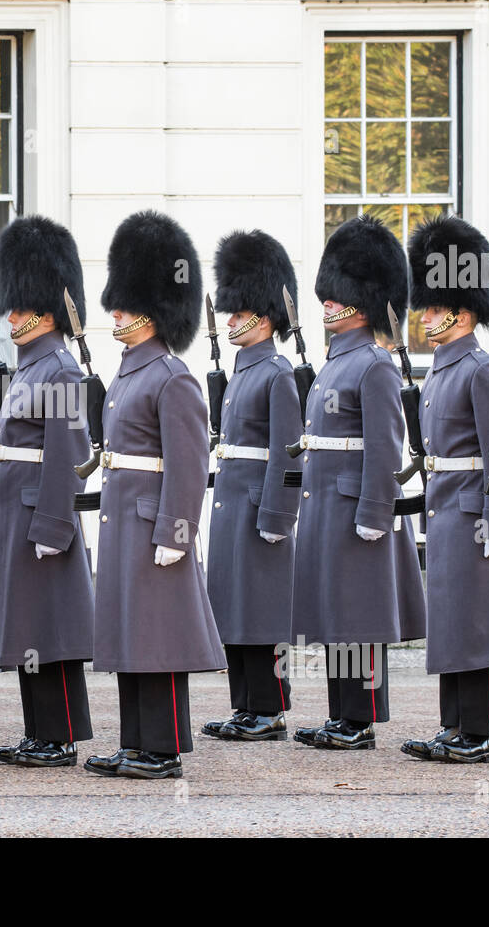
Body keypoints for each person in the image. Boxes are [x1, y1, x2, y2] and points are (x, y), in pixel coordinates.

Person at [84, 210, 226, 781]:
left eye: (124, 302)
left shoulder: (173, 377)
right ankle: (136, 742)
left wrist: (176, 532)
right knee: (129, 637)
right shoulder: (128, 373)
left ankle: (161, 749)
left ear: (151, 308)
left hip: (153, 524)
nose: (114, 311)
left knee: (159, 638)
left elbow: (189, 465)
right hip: (123, 517)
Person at [290, 215, 426, 752]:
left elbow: (385, 445)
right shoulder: (334, 362)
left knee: (359, 615)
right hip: (326, 500)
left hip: (356, 505)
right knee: (336, 614)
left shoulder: (374, 365)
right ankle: (341, 713)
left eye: (335, 296)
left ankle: (361, 717)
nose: (325, 303)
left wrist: (376, 512)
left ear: (361, 301)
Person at [400, 215, 489, 765]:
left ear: (462, 313)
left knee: (475, 623)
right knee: (449, 621)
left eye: (434, 307)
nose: (425, 315)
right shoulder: (442, 370)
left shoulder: (481, 371)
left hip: (472, 512)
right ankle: (454, 725)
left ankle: (479, 732)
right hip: (445, 507)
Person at [0, 215, 95, 768]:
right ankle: (40, 732)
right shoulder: (28, 368)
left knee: (50, 632)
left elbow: (69, 455)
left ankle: (59, 737)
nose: (11, 316)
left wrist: (55, 523)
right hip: (18, 511)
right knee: (30, 628)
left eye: (20, 306)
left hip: (40, 516)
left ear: (46, 309)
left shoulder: (59, 370)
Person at [201, 230, 302, 743]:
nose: (230, 319)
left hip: (259, 504)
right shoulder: (241, 371)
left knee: (262, 612)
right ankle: (244, 706)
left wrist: (277, 515)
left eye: (239, 313)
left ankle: (270, 708)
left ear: (263, 316)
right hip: (233, 499)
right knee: (235, 608)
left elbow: (289, 452)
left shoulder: (277, 373)